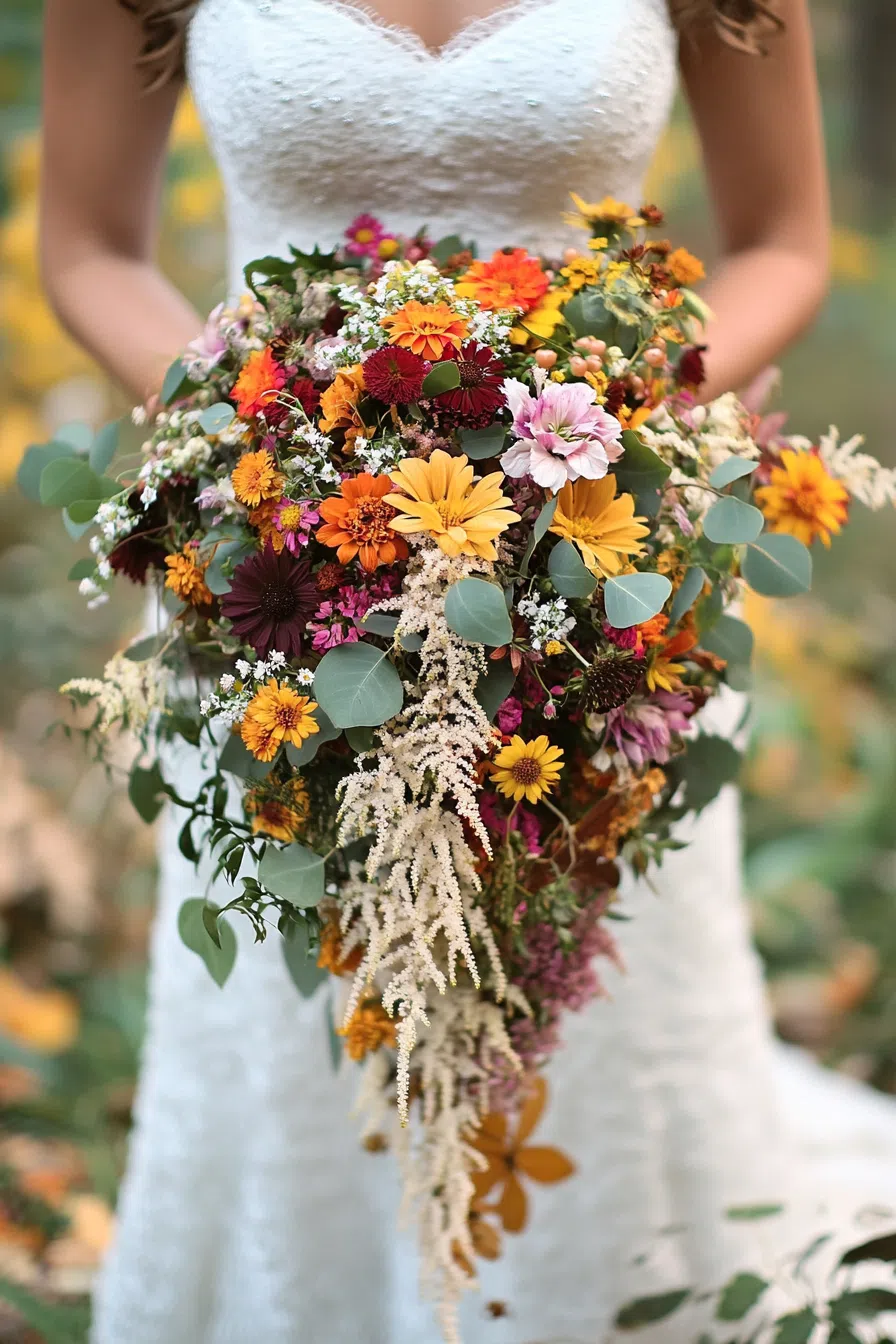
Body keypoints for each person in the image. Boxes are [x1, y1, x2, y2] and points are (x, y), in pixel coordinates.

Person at [38, 3, 896, 1342]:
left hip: (599, 587)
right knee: (294, 1008)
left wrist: (617, 430)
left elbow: (783, 238)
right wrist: (267, 450)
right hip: (275, 581)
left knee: (595, 1017)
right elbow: (88, 250)